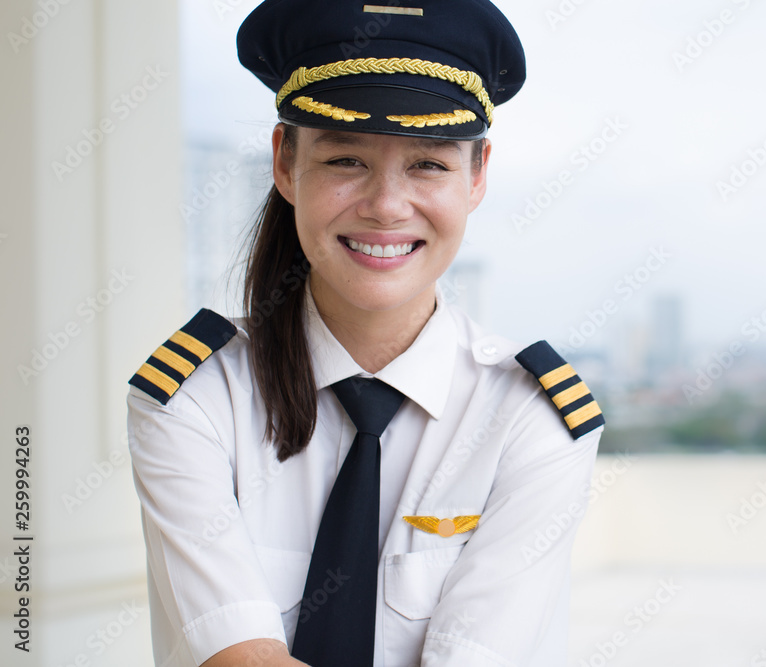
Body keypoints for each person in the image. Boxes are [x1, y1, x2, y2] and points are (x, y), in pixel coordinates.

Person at [126, 1, 605, 665]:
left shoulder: (532, 418)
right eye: (346, 159)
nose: (385, 205)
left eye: (428, 165)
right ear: (285, 162)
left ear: (478, 175)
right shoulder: (196, 396)